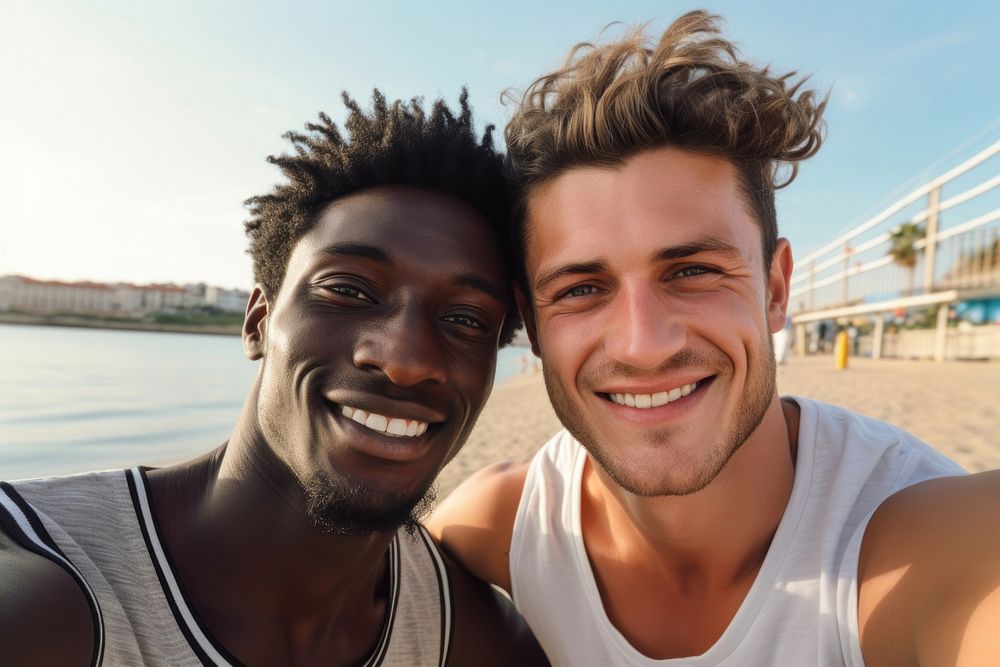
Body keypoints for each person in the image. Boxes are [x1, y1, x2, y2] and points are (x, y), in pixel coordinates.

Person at [429, 11, 1000, 666]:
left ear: (775, 289)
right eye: (582, 289)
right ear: (532, 326)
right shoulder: (503, 526)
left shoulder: (917, 531)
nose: (643, 344)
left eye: (693, 271)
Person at [0, 90, 545, 666]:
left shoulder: (468, 634)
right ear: (258, 322)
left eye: (466, 319)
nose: (405, 360)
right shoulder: (45, 589)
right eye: (347, 290)